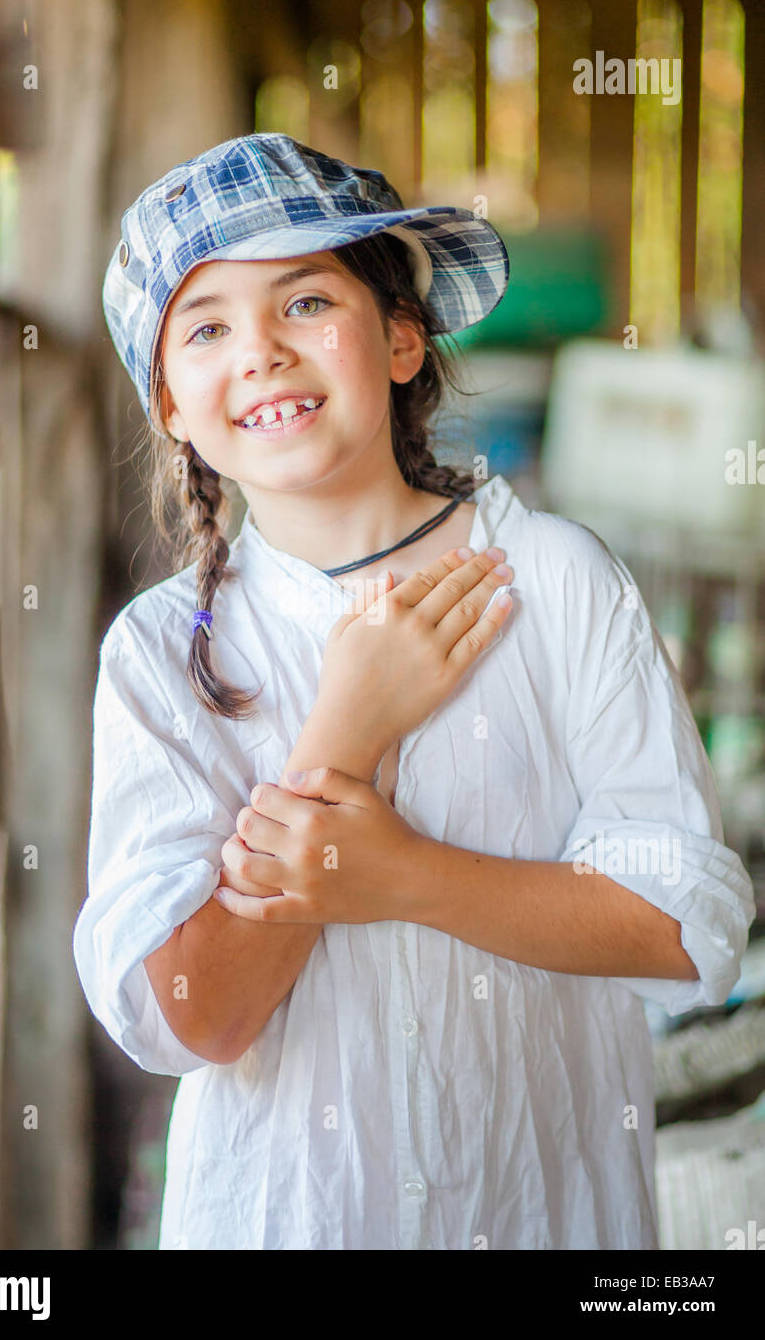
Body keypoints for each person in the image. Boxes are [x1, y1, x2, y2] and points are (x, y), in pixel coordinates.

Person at [73, 132, 755, 1251]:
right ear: (171, 409)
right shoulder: (162, 652)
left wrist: (398, 873)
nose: (259, 351)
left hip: (542, 1214)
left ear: (397, 339)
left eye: (303, 303)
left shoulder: (551, 582)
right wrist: (344, 730)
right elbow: (195, 1015)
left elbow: (686, 930)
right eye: (205, 328)